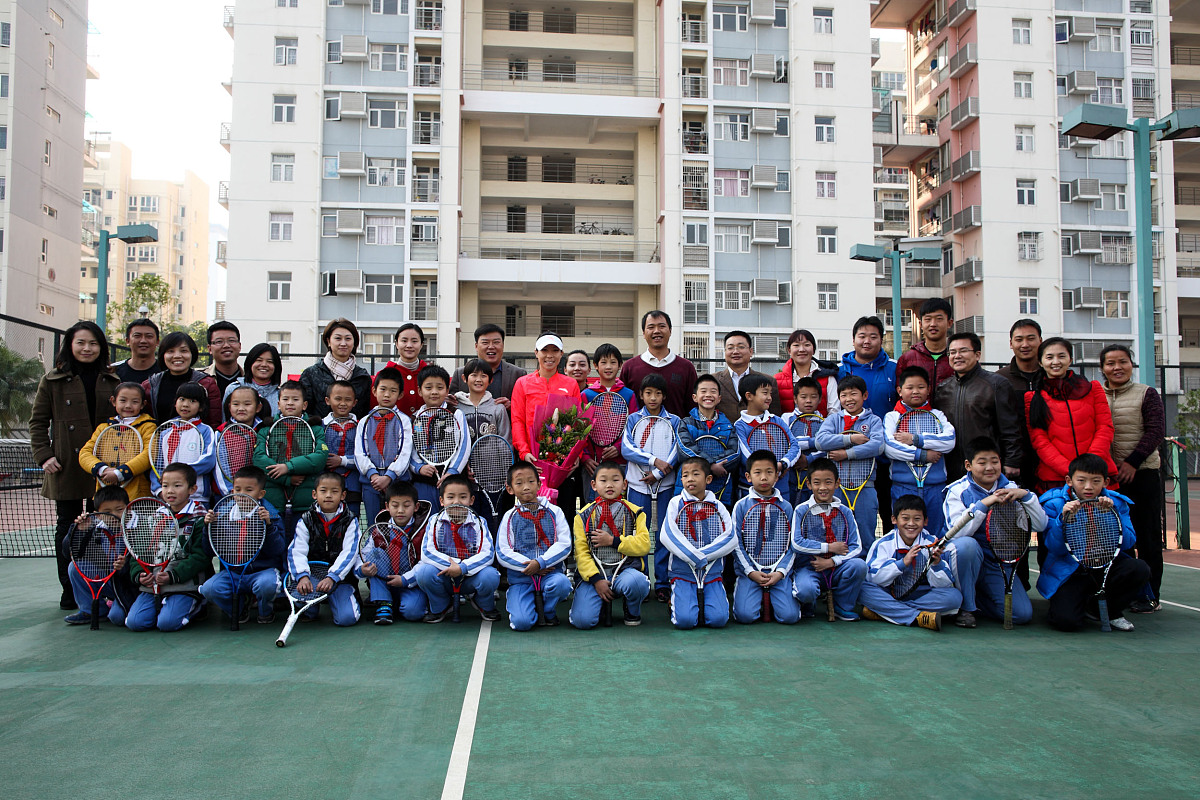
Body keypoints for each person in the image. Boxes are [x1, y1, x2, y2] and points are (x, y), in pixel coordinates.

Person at [29, 320, 121, 608]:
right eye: (81, 342)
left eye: (93, 343)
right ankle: (69, 590)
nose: (87, 348)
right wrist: (44, 455)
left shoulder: (112, 381)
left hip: (103, 468)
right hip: (66, 465)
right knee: (67, 526)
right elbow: (38, 422)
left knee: (102, 527)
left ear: (101, 348)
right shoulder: (53, 380)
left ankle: (100, 589)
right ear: (70, 345)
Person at [941, 436, 1047, 629]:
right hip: (964, 559)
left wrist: (1027, 497)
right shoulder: (956, 491)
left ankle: (977, 599)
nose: (990, 468)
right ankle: (967, 608)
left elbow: (1040, 525)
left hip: (997, 563)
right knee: (966, 546)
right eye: (982, 462)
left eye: (995, 462)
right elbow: (956, 534)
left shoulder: (1012, 490)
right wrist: (983, 504)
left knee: (1021, 615)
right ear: (968, 465)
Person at [1038, 454, 1152, 632]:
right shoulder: (1053, 503)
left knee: (1139, 568)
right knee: (1066, 622)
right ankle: (1083, 604)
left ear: (1106, 482)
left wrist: (1108, 516)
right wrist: (1063, 520)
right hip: (1071, 571)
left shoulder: (1118, 502)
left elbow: (1128, 542)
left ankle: (1106, 609)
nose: (1088, 487)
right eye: (1081, 480)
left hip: (1105, 566)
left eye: (1096, 481)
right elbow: (1054, 547)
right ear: (1069, 480)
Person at [1100, 344, 1166, 613]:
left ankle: (1149, 596)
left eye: (1123, 362)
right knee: (1115, 539)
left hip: (1143, 475)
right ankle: (1118, 593)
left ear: (1131, 364)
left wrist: (1132, 463)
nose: (1117, 367)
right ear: (1102, 367)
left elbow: (1155, 431)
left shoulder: (1147, 394)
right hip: (1109, 480)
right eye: (1111, 363)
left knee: (1147, 537)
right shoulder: (1096, 394)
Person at [125, 462, 211, 632]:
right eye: (165, 486)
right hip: (152, 587)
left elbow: (201, 557)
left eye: (177, 486)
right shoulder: (153, 518)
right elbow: (138, 552)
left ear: (192, 489)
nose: (170, 491)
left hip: (184, 586)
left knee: (167, 624)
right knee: (135, 623)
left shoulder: (201, 519)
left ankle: (200, 603)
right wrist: (140, 575)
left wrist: (173, 576)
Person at [1025, 337, 1117, 496]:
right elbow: (1039, 441)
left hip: (1096, 473)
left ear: (1070, 359)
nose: (1056, 361)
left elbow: (1105, 427)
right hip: (1055, 477)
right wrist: (1072, 471)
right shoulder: (1033, 398)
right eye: (1049, 357)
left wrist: (1088, 467)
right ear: (1040, 362)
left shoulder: (1093, 389)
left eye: (1061, 356)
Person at [198, 466, 286, 626]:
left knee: (267, 585)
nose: (242, 494)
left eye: (249, 490)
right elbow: (209, 550)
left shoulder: (271, 515)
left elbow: (278, 549)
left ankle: (265, 611)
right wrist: (207, 527)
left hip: (262, 571)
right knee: (209, 589)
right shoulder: (222, 516)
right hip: (233, 573)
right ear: (232, 492)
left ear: (261, 494)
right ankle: (238, 610)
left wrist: (268, 525)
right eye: (238, 489)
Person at [859, 495, 961, 631]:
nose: (911, 524)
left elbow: (945, 584)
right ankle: (918, 617)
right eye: (905, 518)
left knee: (954, 597)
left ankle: (887, 612)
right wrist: (903, 563)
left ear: (925, 521)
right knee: (862, 589)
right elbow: (873, 578)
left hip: (921, 595)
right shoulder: (883, 544)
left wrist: (936, 564)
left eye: (917, 519)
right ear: (894, 519)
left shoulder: (931, 542)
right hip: (889, 593)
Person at [569, 461, 652, 628]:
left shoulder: (636, 512)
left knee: (638, 582)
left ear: (624, 484)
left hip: (625, 571)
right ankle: (596, 603)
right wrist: (596, 579)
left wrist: (613, 541)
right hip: (594, 576)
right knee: (582, 621)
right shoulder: (582, 516)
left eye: (615, 480)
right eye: (603, 480)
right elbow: (581, 553)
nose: (609, 485)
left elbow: (644, 545)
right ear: (593, 485)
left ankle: (632, 608)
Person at [621, 373, 682, 601]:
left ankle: (663, 583)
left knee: (663, 534)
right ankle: (642, 580)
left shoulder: (675, 420)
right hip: (637, 487)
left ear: (664, 395)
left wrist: (658, 474)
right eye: (648, 393)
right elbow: (627, 449)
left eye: (657, 393)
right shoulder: (633, 419)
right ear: (641, 395)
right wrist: (653, 462)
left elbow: (677, 451)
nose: (653, 398)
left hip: (665, 486)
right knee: (639, 534)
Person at [934, 332, 1024, 483]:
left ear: (977, 355)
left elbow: (1011, 428)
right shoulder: (943, 389)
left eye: (963, 351)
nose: (957, 356)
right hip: (951, 467)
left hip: (987, 467)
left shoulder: (997, 385)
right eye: (952, 352)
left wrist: (1012, 461)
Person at [661, 457, 736, 628]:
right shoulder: (675, 503)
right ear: (681, 480)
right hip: (683, 573)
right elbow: (667, 535)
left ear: (708, 479)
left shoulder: (718, 506)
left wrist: (703, 557)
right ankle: (676, 603)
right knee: (685, 622)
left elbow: (731, 538)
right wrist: (694, 557)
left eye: (696, 474)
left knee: (718, 620)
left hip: (712, 573)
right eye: (685, 475)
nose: (690, 479)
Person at [497, 461, 573, 630]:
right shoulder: (509, 517)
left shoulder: (555, 511)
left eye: (531, 481)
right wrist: (530, 566)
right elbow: (502, 552)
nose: (526, 487)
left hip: (549, 574)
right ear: (510, 489)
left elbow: (565, 544)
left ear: (539, 484)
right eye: (519, 483)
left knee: (562, 584)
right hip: (521, 579)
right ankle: (522, 603)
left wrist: (541, 563)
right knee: (522, 623)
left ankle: (547, 610)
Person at [414, 476, 502, 623]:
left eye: (463, 497)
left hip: (470, 577)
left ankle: (483, 604)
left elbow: (487, 554)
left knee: (491, 576)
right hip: (445, 575)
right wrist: (453, 566)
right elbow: (427, 552)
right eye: (450, 497)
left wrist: (462, 568)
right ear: (442, 501)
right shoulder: (434, 521)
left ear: (471, 500)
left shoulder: (480, 522)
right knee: (424, 573)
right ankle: (441, 605)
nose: (456, 502)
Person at [791, 457, 868, 621]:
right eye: (817, 483)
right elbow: (797, 543)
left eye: (828, 482)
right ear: (809, 485)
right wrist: (829, 548)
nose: (823, 488)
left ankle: (842, 606)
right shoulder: (801, 510)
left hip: (836, 567)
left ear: (837, 483)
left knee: (859, 566)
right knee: (806, 591)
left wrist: (832, 562)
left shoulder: (845, 512)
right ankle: (808, 604)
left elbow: (856, 547)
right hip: (810, 567)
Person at [839, 316, 898, 527]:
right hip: (850, 458)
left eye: (873, 337)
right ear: (853, 339)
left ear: (881, 340)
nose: (867, 341)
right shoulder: (841, 370)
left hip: (885, 456)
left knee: (888, 511)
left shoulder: (893, 368)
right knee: (852, 517)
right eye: (862, 336)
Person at [815, 375, 886, 550]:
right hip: (837, 488)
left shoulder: (873, 420)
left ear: (865, 395)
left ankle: (866, 572)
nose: (848, 399)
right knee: (837, 534)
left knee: (866, 534)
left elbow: (877, 447)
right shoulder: (833, 420)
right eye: (844, 395)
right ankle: (841, 570)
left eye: (853, 394)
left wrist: (847, 454)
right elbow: (820, 441)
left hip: (865, 487)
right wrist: (850, 439)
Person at [883, 366, 955, 535]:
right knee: (904, 534)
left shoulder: (938, 415)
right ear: (900, 390)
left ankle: (935, 562)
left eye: (921, 387)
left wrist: (915, 439)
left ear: (929, 390)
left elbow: (949, 441)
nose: (915, 391)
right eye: (910, 388)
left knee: (936, 534)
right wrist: (923, 454)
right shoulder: (892, 416)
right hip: (903, 487)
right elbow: (890, 447)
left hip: (935, 487)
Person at [730, 450, 800, 624]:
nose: (763, 477)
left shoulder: (788, 507)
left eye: (769, 472)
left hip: (778, 572)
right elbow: (736, 543)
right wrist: (750, 572)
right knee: (745, 617)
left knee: (789, 617)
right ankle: (752, 597)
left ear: (777, 476)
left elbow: (793, 545)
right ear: (748, 476)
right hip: (750, 572)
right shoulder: (740, 506)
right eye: (757, 472)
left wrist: (781, 572)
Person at [253, 381, 330, 534]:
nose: (290, 403)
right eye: (286, 399)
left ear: (305, 404)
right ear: (278, 404)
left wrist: (288, 467)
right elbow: (259, 458)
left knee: (302, 545)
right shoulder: (266, 429)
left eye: (295, 399)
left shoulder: (316, 429)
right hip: (273, 500)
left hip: (305, 501)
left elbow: (320, 458)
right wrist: (287, 479)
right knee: (276, 543)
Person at [287, 472, 362, 627]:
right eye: (323, 491)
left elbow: (350, 552)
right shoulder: (305, 519)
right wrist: (302, 576)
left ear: (343, 495)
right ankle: (311, 606)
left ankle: (343, 595)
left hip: (340, 580)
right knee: (304, 606)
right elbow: (296, 550)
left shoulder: (351, 520)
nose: (328, 495)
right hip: (313, 575)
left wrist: (333, 576)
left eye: (334, 491)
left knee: (347, 619)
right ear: (314, 494)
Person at [63, 485, 135, 626]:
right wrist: (79, 530)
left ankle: (118, 605)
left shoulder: (139, 528)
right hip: (109, 580)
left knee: (118, 618)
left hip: (131, 586)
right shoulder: (93, 526)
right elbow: (68, 552)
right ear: (98, 514)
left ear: (129, 508)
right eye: (107, 511)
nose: (114, 515)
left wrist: (126, 565)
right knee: (75, 566)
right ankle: (91, 611)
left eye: (119, 509)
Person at [996, 319, 1045, 527]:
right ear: (1011, 343)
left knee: (1048, 516)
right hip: (1013, 464)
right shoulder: (1000, 379)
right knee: (1015, 523)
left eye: (1030, 338)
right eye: (1019, 339)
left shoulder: (1052, 376)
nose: (1025, 344)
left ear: (1040, 341)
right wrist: (1009, 459)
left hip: (1049, 462)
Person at [358, 482, 429, 624]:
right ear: (387, 507)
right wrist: (362, 569)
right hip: (385, 581)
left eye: (406, 505)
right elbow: (364, 554)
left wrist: (405, 580)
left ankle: (399, 601)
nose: (400, 510)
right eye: (395, 506)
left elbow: (426, 562)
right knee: (375, 554)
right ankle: (384, 602)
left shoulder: (425, 530)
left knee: (413, 613)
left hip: (410, 583)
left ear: (416, 507)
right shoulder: (379, 529)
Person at [511, 333, 582, 466]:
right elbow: (517, 420)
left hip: (561, 458)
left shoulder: (571, 384)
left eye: (555, 350)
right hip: (531, 458)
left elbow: (577, 423)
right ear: (536, 353)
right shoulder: (522, 383)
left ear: (561, 354)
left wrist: (575, 454)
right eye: (544, 350)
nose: (549, 355)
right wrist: (524, 452)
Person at [78, 381, 155, 502]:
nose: (128, 406)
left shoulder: (148, 427)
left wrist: (121, 473)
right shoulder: (103, 428)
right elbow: (85, 453)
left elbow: (149, 454)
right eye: (123, 400)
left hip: (137, 496)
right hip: (106, 496)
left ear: (143, 404)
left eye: (135, 402)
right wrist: (102, 469)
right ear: (113, 401)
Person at [579, 343, 637, 502]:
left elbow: (634, 430)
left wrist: (619, 448)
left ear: (620, 365)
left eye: (613, 362)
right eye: (603, 362)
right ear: (596, 366)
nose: (608, 366)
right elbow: (580, 432)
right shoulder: (586, 395)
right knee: (593, 511)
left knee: (619, 510)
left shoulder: (629, 395)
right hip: (593, 465)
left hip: (621, 464)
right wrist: (585, 458)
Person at [355, 367, 414, 522]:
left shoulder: (404, 421)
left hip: (398, 484)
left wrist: (389, 476)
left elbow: (405, 452)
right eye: (383, 389)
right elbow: (360, 453)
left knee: (398, 524)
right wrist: (373, 475)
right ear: (374, 391)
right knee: (373, 524)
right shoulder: (364, 421)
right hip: (370, 484)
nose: (387, 394)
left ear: (400, 394)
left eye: (393, 391)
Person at [409, 365, 471, 509]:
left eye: (440, 387)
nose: (434, 392)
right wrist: (419, 467)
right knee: (427, 523)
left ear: (447, 390)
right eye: (428, 388)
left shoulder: (456, 414)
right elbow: (409, 449)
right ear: (419, 391)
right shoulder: (414, 418)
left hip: (453, 483)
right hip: (423, 482)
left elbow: (464, 445)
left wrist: (452, 471)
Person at [618, 310, 698, 417]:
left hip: (677, 433)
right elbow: (621, 406)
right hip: (637, 433)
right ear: (643, 333)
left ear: (670, 330)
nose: (656, 331)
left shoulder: (686, 368)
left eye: (661, 326)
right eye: (651, 327)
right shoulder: (629, 367)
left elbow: (693, 408)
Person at [733, 374, 799, 499]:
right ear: (749, 396)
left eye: (770, 393)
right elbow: (746, 456)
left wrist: (783, 463)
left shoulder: (778, 421)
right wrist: (772, 467)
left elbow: (795, 446)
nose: (769, 397)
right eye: (765, 393)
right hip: (750, 490)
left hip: (781, 488)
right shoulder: (739, 426)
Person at [676, 374, 738, 507]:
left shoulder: (729, 426)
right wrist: (711, 465)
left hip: (721, 487)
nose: (708, 395)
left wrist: (714, 466)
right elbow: (685, 450)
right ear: (695, 397)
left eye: (713, 391)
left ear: (719, 398)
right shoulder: (685, 423)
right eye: (703, 391)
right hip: (688, 488)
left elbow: (735, 453)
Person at [141, 331, 222, 427]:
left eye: (183, 351)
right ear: (163, 355)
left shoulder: (207, 384)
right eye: (171, 351)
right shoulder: (149, 385)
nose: (177, 356)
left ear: (192, 354)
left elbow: (213, 423)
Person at [300, 318, 374, 420]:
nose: (343, 343)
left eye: (348, 339)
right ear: (328, 341)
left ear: (354, 342)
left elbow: (366, 413)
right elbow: (304, 410)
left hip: (354, 433)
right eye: (338, 338)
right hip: (320, 433)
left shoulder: (362, 377)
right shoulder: (311, 374)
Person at [448, 323, 527, 405]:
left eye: (496, 342)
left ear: (503, 345)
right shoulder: (460, 373)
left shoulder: (518, 374)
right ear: (476, 346)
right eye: (485, 343)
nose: (491, 347)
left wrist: (512, 406)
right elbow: (451, 406)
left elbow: (525, 406)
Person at [713, 331, 781, 424]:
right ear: (725, 352)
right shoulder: (712, 380)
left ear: (751, 351)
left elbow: (774, 416)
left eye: (741, 347)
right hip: (723, 436)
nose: (735, 351)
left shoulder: (768, 381)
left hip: (756, 436)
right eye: (730, 348)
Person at [896, 298, 955, 395]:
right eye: (928, 319)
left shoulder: (957, 357)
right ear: (921, 324)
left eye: (939, 319)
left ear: (949, 323)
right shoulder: (907, 359)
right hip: (917, 410)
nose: (933, 324)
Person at [783, 377, 827, 504]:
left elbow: (827, 447)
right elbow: (788, 443)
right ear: (795, 399)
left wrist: (809, 459)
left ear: (819, 399)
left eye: (813, 397)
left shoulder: (826, 421)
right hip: (791, 477)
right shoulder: (786, 418)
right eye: (803, 397)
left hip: (816, 478)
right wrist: (816, 442)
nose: (808, 401)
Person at [321, 380, 361, 519]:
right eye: (338, 399)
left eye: (348, 400)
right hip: (327, 485)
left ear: (354, 402)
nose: (343, 403)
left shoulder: (361, 426)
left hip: (353, 485)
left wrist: (342, 461)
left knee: (352, 519)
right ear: (328, 400)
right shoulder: (321, 426)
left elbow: (364, 456)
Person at [775, 328, 838, 415]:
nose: (801, 349)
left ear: (813, 350)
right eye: (796, 345)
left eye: (807, 345)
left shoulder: (828, 378)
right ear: (789, 351)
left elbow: (834, 412)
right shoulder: (776, 380)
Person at [378, 323, 429, 416]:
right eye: (404, 341)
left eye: (414, 341)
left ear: (421, 344)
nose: (409, 345)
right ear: (397, 344)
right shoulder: (384, 375)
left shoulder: (430, 374)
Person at [454, 359, 511, 443]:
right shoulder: (456, 407)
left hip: (492, 456)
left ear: (490, 380)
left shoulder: (498, 408)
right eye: (474, 375)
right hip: (464, 456)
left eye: (483, 376)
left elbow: (505, 440)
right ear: (464, 378)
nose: (478, 379)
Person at [222, 343, 282, 418]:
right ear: (250, 363)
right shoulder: (233, 389)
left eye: (270, 361)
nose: (264, 364)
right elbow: (225, 421)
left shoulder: (281, 394)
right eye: (259, 360)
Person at [113, 318, 162, 384]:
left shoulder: (167, 372)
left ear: (157, 342)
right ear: (127, 341)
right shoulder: (114, 374)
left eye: (149, 336)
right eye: (137, 336)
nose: (143, 341)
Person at [203, 322, 244, 396]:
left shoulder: (251, 378)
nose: (226, 345)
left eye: (231, 340)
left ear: (239, 346)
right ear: (209, 349)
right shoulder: (201, 379)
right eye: (219, 342)